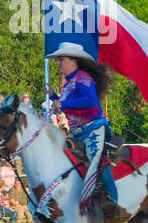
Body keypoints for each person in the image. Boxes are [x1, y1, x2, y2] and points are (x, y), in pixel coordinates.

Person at [47, 42, 114, 213]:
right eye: (57, 60)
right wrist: (53, 96)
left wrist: (63, 102)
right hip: (77, 133)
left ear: (73, 61)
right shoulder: (69, 84)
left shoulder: (83, 77)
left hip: (94, 128)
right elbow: (69, 105)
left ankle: (112, 200)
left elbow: (90, 101)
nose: (58, 63)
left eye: (61, 59)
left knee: (95, 158)